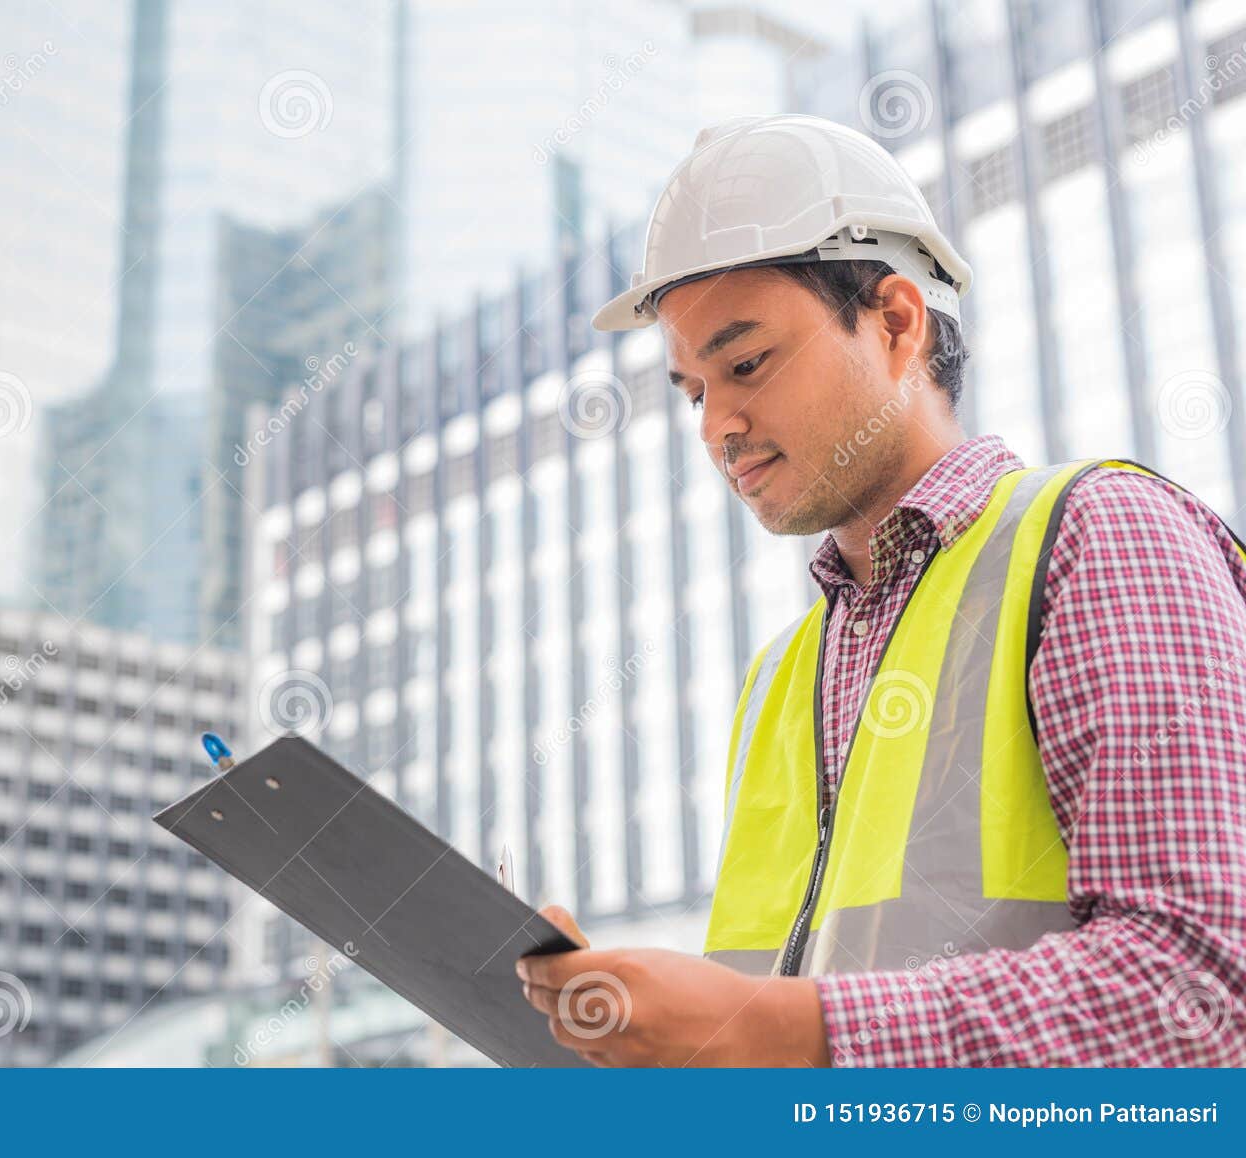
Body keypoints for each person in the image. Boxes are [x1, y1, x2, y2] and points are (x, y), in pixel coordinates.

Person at [517, 114, 1246, 1067]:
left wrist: (772, 1031)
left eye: (744, 364)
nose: (717, 429)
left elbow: (1199, 990)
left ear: (897, 323)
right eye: (695, 391)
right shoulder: (781, 677)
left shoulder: (1102, 536)